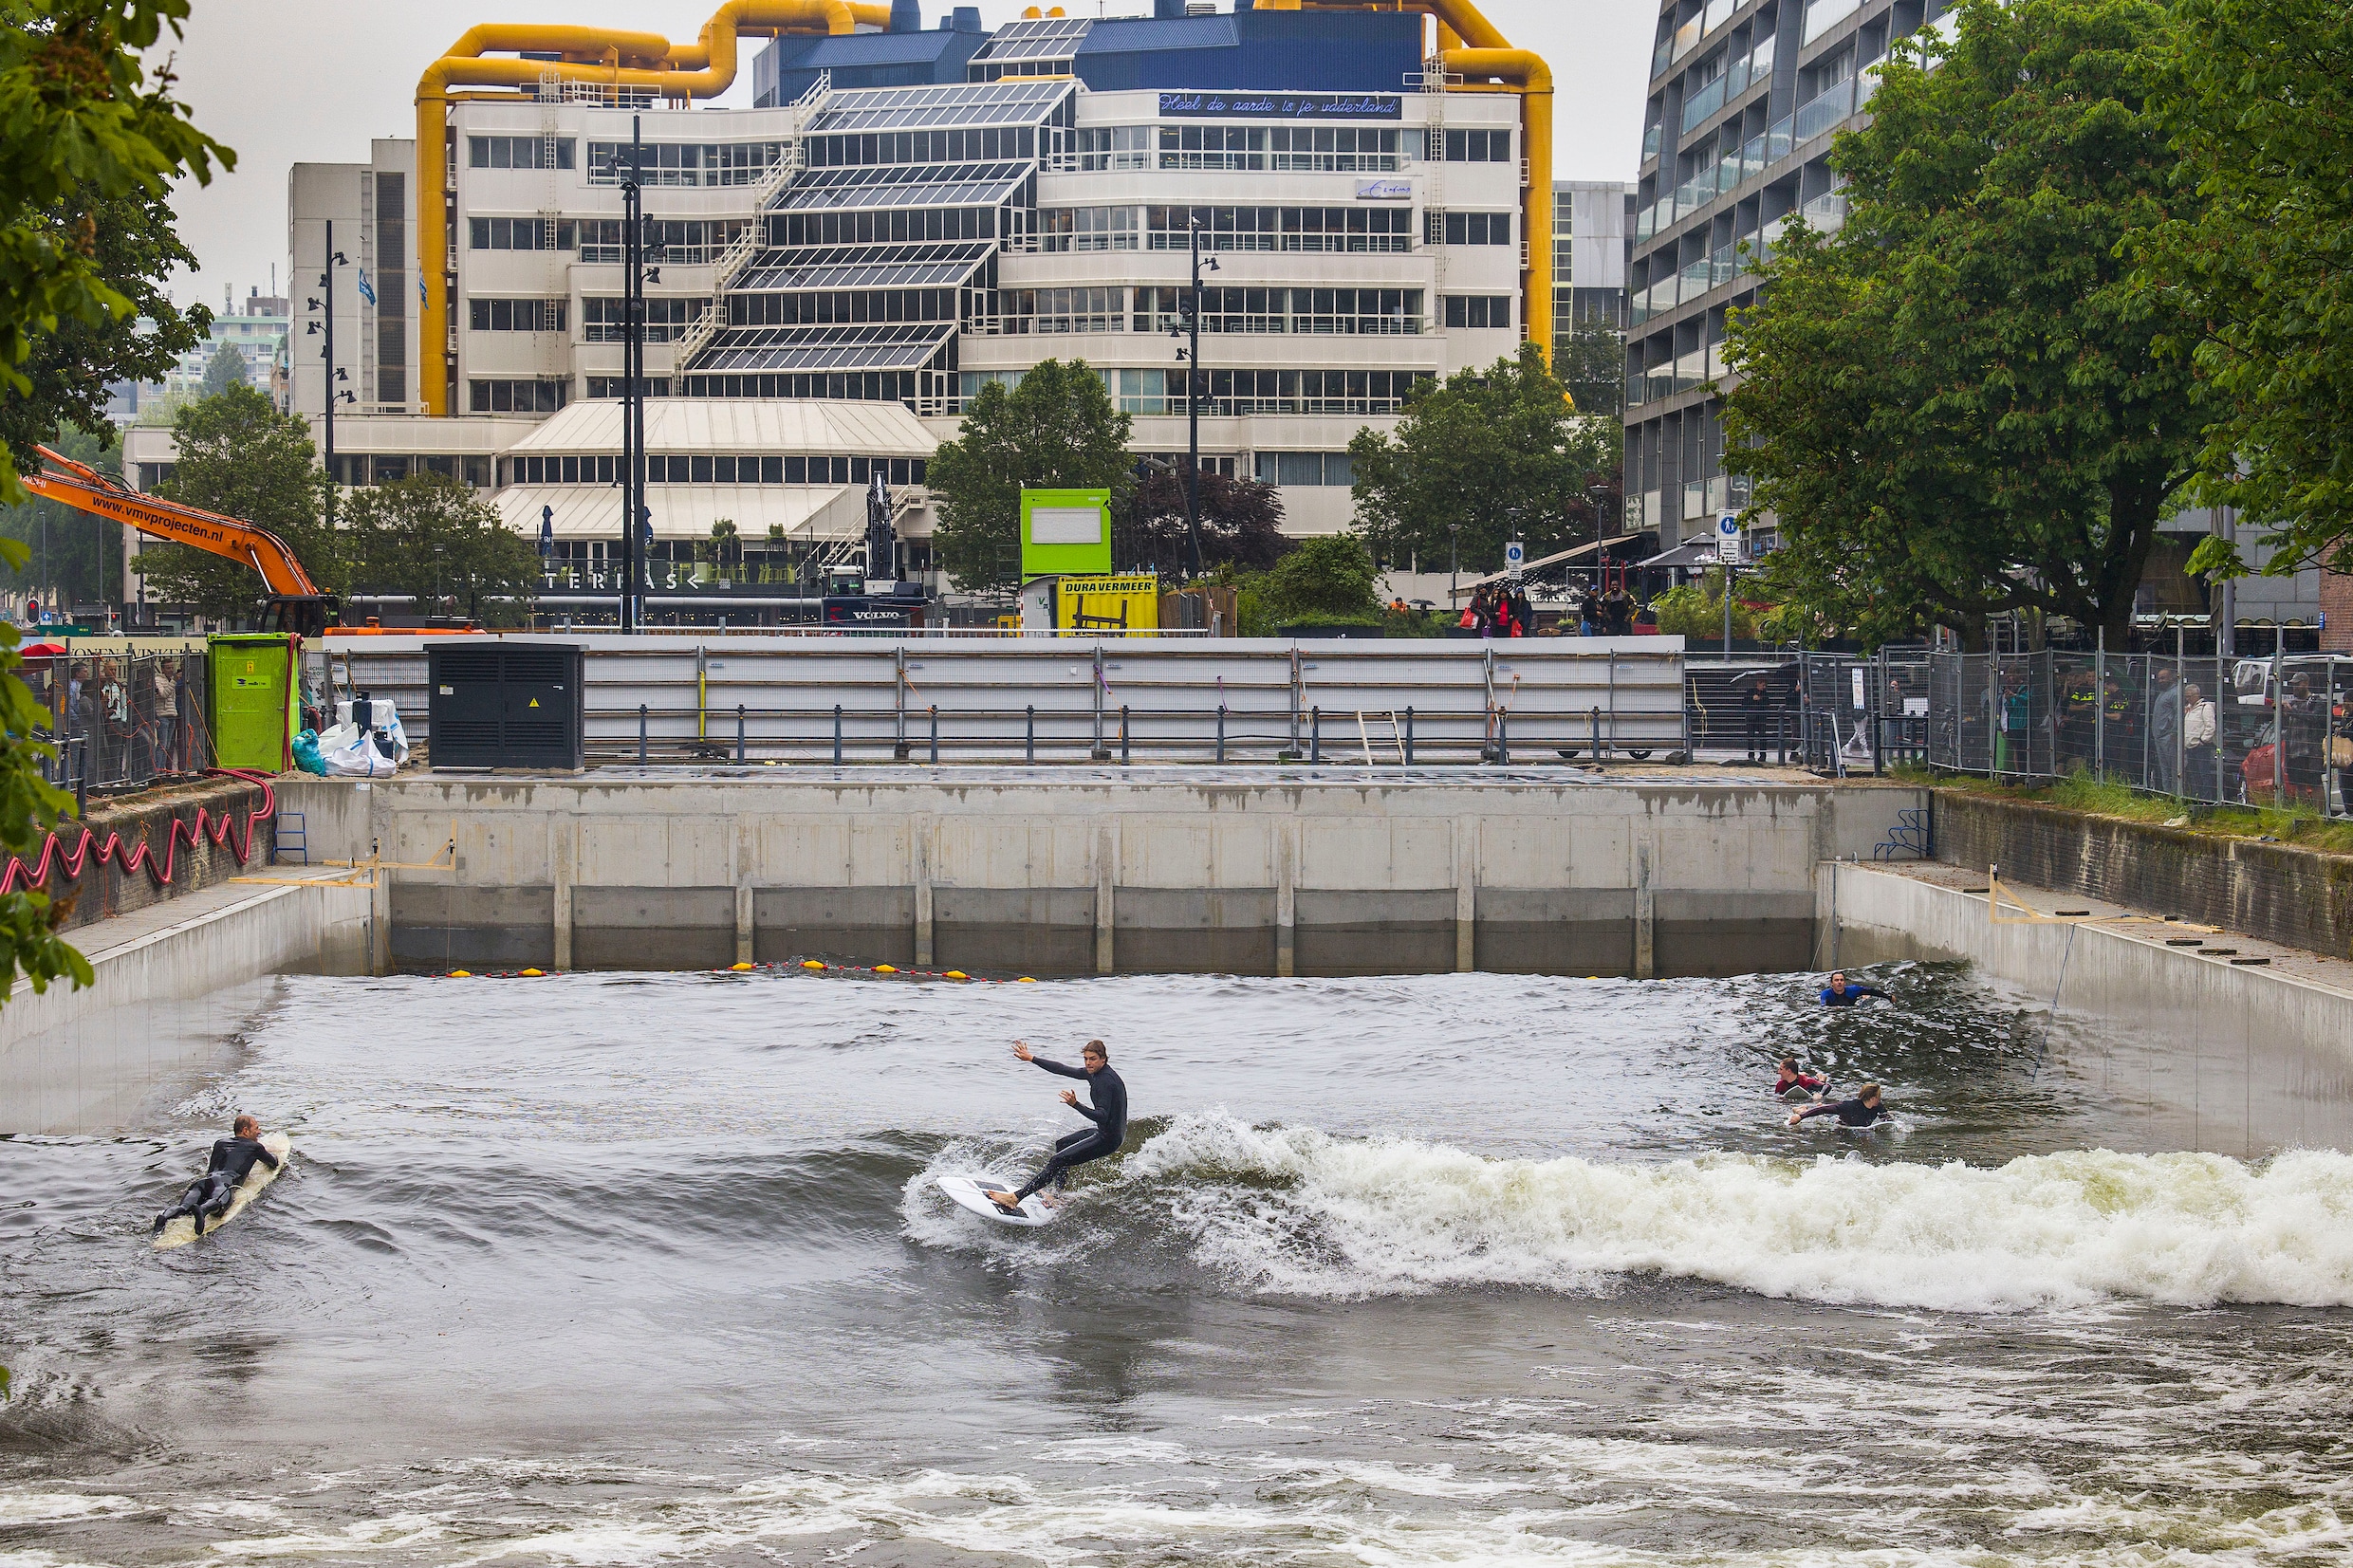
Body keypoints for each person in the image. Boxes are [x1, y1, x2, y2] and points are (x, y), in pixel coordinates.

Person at [985, 1039, 1128, 1213]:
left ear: (1103, 1059)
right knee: (1062, 1144)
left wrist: (1076, 1104)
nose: (1088, 1063)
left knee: (1057, 1160)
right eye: (1086, 1059)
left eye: (1093, 1059)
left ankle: (1015, 1198)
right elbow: (1062, 1069)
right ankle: (1057, 1195)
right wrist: (1032, 1058)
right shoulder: (1095, 1073)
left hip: (1109, 1139)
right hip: (1106, 1132)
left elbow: (1102, 1116)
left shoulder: (1106, 1081)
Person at [154, 1115, 280, 1237]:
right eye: (256, 1128)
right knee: (219, 1204)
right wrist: (271, 1152)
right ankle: (202, 1210)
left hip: (204, 1181)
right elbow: (273, 1163)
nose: (259, 1132)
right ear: (246, 1130)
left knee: (183, 1207)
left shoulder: (220, 1143)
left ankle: (164, 1217)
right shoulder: (255, 1147)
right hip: (224, 1183)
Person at [1789, 1083, 1890, 1128]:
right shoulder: (1850, 1106)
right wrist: (1800, 1117)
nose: (1880, 1099)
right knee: (1824, 1112)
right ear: (1872, 1098)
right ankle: (1801, 1111)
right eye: (1878, 1096)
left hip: (1857, 1126)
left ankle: (1810, 1107)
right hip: (1836, 1121)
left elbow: (1887, 1119)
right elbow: (1824, 1110)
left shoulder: (1878, 1106)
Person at [2182, 682, 2219, 801]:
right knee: (2194, 774)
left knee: (2204, 774)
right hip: (2190, 746)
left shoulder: (2205, 707)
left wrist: (2203, 740)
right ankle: (2197, 797)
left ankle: (2207, 799)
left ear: (2197, 695)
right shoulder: (2189, 709)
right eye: (2186, 696)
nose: (2187, 699)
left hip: (2200, 747)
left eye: (2189, 696)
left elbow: (2210, 726)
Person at [2149, 664, 2181, 795]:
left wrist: (2174, 731)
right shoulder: (2162, 693)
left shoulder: (2175, 693)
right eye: (2159, 678)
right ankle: (2166, 793)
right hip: (2159, 736)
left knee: (2173, 768)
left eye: (2163, 678)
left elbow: (2178, 713)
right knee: (2163, 768)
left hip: (2168, 736)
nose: (2161, 681)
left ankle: (2175, 794)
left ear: (2171, 678)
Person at [1742, 674, 1777, 763]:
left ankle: (1763, 755)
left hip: (1761, 717)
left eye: (1765, 685)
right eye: (1763, 685)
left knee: (1762, 736)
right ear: (1758, 684)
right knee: (1751, 737)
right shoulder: (1750, 692)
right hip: (1751, 717)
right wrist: (1752, 699)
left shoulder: (1765, 693)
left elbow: (1767, 704)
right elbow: (1744, 704)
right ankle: (1751, 755)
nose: (1764, 687)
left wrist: (1760, 700)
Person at [1818, 971, 1890, 1007]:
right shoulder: (1826, 994)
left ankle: (1863, 997)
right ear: (1831, 983)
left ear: (1845, 983)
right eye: (1836, 980)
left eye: (1841, 980)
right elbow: (1823, 1007)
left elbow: (1872, 991)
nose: (1839, 982)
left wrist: (1889, 997)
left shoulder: (1853, 990)